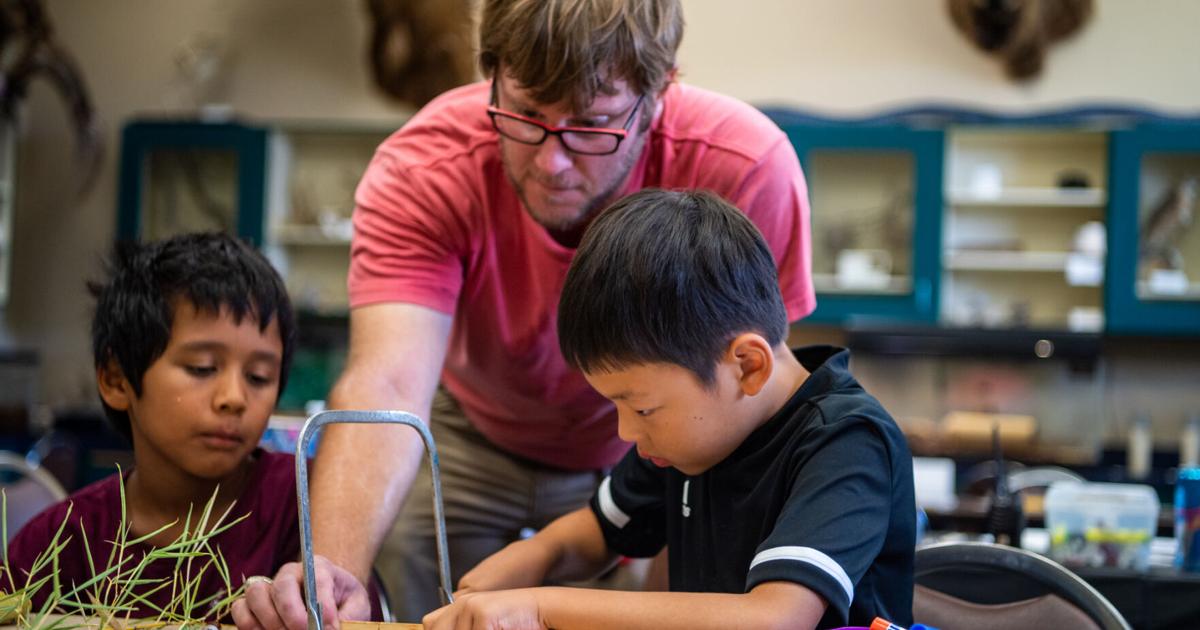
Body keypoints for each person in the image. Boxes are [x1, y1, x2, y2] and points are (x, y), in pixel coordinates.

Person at [234, 0, 814, 626]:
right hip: (470, 429)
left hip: (660, 442)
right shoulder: (425, 168)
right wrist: (331, 574)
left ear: (659, 91)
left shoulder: (744, 164)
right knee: (413, 585)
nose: (550, 161)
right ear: (492, 75)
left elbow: (752, 409)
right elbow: (390, 384)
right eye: (526, 116)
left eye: (591, 125)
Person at [422, 189, 915, 630]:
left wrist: (537, 607)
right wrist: (530, 558)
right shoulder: (695, 435)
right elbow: (597, 532)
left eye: (642, 409)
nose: (626, 431)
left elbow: (773, 619)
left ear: (746, 365)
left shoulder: (847, 442)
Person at [5, 233, 301, 621]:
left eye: (259, 377)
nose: (234, 397)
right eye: (202, 368)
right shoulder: (57, 546)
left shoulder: (306, 507)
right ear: (116, 380)